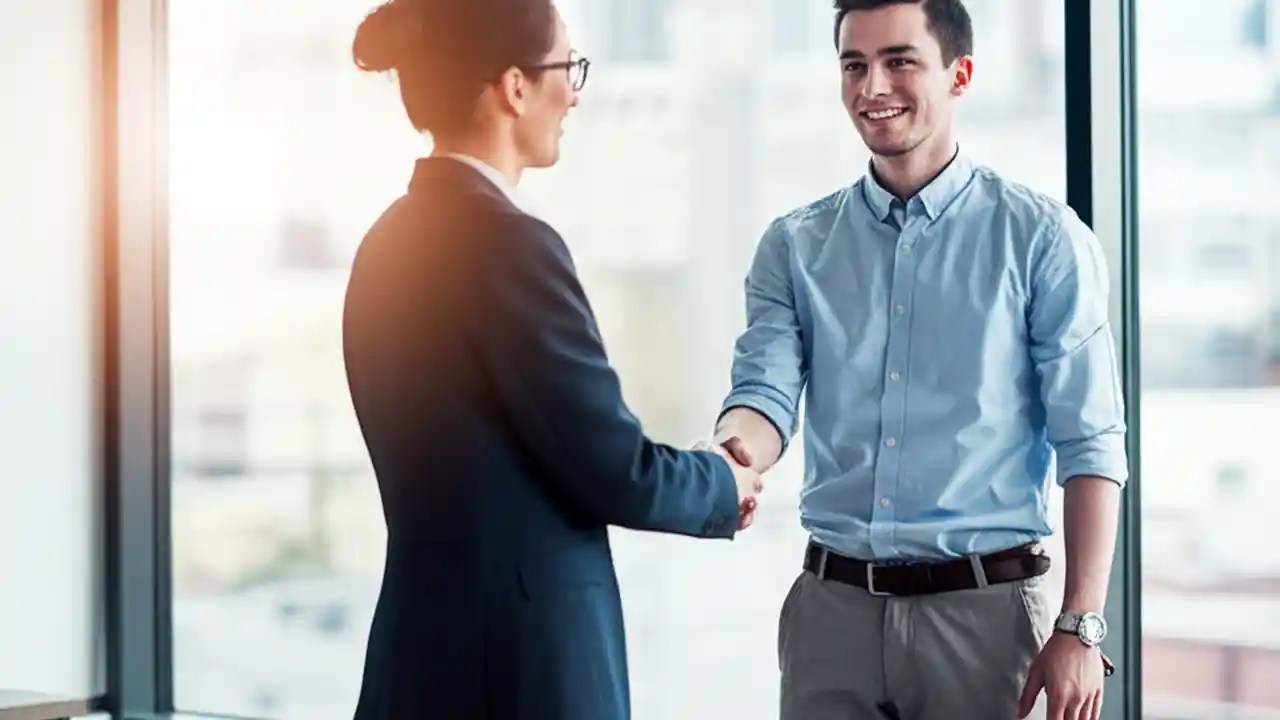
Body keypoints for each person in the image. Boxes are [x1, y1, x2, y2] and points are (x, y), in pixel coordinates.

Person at [342, 2, 761, 717]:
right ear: (513, 87)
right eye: (567, 68)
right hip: (521, 670)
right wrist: (722, 482)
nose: (573, 93)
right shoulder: (510, 246)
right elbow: (612, 467)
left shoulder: (386, 239)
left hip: (418, 658)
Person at [715, 1, 1128, 718]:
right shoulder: (794, 246)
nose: (872, 87)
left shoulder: (1042, 240)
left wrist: (1081, 626)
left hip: (987, 623)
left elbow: (1091, 445)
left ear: (959, 74)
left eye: (900, 61)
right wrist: (729, 456)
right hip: (830, 617)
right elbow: (765, 394)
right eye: (854, 65)